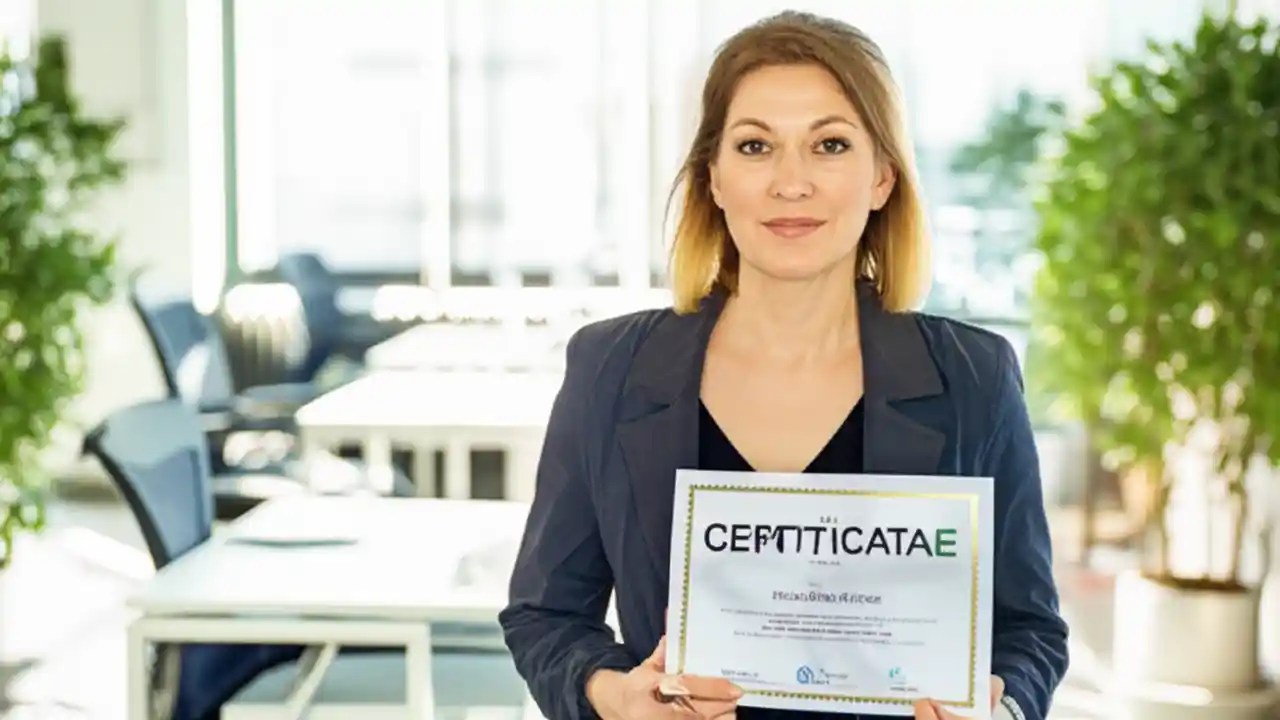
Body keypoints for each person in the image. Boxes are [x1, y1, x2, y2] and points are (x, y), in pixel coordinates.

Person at [499, 11, 1068, 720]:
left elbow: (1028, 630)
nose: (790, 183)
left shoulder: (973, 376)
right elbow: (545, 614)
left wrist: (1001, 711)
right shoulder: (609, 368)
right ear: (713, 177)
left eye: (829, 145)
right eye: (755, 146)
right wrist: (614, 695)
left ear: (883, 177)